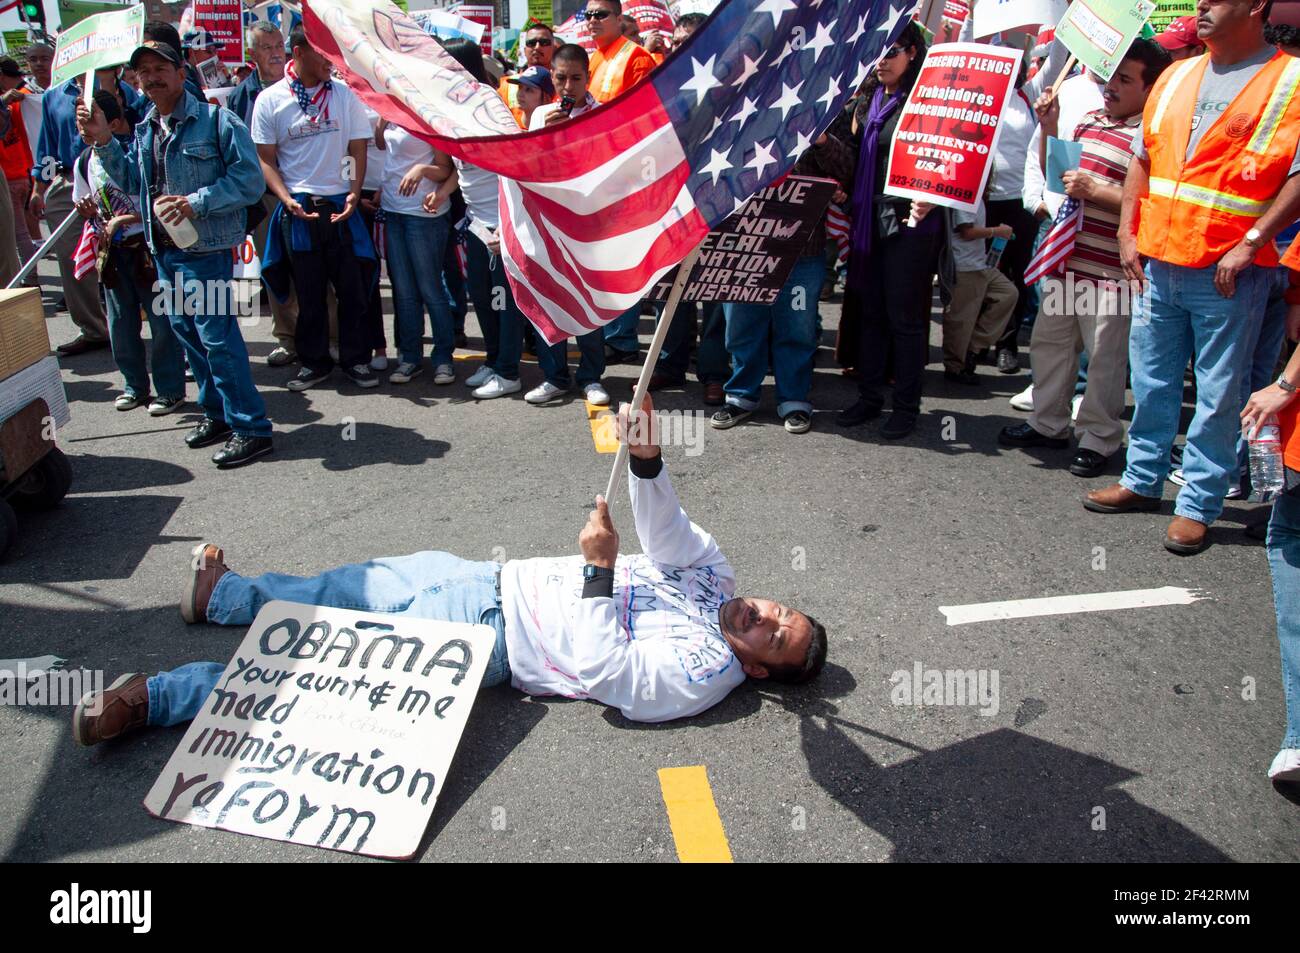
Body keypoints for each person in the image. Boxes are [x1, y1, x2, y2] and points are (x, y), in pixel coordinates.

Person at [69, 394, 829, 744]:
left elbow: (610, 677)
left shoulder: (702, 675)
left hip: (490, 642)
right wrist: (647, 456)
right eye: (777, 609)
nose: (761, 616)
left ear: (759, 670)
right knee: (345, 586)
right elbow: (666, 536)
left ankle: (157, 700)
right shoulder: (717, 577)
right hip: (489, 578)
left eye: (772, 636)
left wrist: (598, 572)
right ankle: (229, 596)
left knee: (327, 668)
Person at [1087, 0, 1300, 555]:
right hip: (1160, 260)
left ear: (1255, 7)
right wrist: (1127, 235)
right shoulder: (1178, 73)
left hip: (1230, 272)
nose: (1202, 6)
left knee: (1218, 393)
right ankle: (1142, 479)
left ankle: (1198, 505)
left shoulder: (1291, 79)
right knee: (1153, 381)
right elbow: (1143, 160)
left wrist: (1251, 243)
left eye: (1215, 0)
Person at [78, 40, 274, 468]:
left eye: (158, 67)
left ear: (181, 72)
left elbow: (249, 183)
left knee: (219, 340)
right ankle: (217, 414)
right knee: (189, 337)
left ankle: (252, 428)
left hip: (206, 252)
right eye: (142, 71)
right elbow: (131, 177)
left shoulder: (218, 121)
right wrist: (104, 139)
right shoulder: (147, 127)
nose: (150, 77)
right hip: (164, 253)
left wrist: (195, 201)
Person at [1001, 40, 1170, 478]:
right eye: (1112, 77)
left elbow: (1155, 204)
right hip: (1066, 257)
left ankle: (1098, 438)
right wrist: (1051, 127)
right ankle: (1048, 422)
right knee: (1050, 347)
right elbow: (1061, 176)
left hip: (1112, 270)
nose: (1111, 87)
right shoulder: (1091, 120)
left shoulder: (1155, 135)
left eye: (1125, 80)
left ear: (1150, 88)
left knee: (1104, 360)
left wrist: (1096, 191)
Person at [252, 28, 380, 391]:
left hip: (341, 207)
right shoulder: (270, 100)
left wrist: (354, 192)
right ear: (300, 52)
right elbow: (265, 160)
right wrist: (285, 197)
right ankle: (314, 363)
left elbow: (357, 149)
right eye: (324, 53)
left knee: (353, 290)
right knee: (308, 294)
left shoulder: (344, 95)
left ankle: (356, 360)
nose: (331, 61)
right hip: (300, 211)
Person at [836, 23, 943, 440]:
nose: (883, 59)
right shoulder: (868, 100)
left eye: (894, 50)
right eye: (879, 51)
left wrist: (934, 196)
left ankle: (906, 407)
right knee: (871, 313)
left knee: (905, 319)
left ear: (914, 53)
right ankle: (868, 397)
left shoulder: (925, 103)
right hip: (868, 219)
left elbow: (951, 158)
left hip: (909, 220)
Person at [711, 133, 856, 435]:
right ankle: (741, 396)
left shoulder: (819, 114)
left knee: (797, 329)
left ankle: (793, 400)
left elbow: (848, 167)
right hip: (745, 250)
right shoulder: (742, 121)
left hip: (802, 252)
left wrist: (823, 140)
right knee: (741, 327)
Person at [959, 6, 1071, 374]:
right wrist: (974, 13)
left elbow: (1057, 58)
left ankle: (1006, 345)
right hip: (981, 204)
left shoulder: (1029, 95)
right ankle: (971, 345)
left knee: (1015, 274)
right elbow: (964, 49)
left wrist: (1059, 10)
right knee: (977, 277)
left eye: (1011, 60)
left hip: (1017, 203)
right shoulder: (973, 94)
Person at [73, 90, 186, 417]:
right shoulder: (84, 161)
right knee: (120, 325)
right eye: (80, 122)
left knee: (162, 323)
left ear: (114, 122)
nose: (85, 128)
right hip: (113, 252)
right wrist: (88, 210)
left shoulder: (136, 151)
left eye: (91, 120)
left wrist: (128, 218)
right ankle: (134, 386)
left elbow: (155, 200)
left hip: (145, 250)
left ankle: (169, 389)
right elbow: (87, 204)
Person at [431, 39, 525, 400]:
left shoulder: (491, 107)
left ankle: (508, 371)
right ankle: (493, 358)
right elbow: (465, 168)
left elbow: (510, 168)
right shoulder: (452, 109)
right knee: (482, 300)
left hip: (500, 224)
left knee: (504, 301)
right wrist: (444, 191)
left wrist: (507, 225)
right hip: (474, 222)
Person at [31, 66, 141, 355]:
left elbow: (134, 125)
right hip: (73, 176)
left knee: (124, 258)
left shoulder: (123, 90)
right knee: (73, 256)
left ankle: (145, 326)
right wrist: (38, 188)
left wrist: (106, 89)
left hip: (119, 173)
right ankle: (92, 328)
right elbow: (47, 144)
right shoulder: (53, 96)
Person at [521, 46, 608, 407]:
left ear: (588, 77)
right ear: (551, 77)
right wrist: (547, 138)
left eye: (575, 78)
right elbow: (528, 166)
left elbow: (606, 168)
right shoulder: (541, 114)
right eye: (560, 78)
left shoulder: (603, 113)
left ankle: (591, 376)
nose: (568, 86)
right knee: (551, 297)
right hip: (547, 220)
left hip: (586, 223)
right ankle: (554, 375)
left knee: (587, 300)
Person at [229, 21, 299, 368]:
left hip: (304, 190)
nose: (275, 53)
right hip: (264, 197)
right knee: (275, 267)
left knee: (315, 268)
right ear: (252, 54)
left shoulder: (302, 85)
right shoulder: (241, 95)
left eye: (278, 45)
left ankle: (328, 337)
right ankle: (287, 338)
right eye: (266, 47)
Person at [378, 116, 459, 386]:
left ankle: (443, 358)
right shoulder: (389, 112)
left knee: (431, 289)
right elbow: (380, 144)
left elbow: (446, 169)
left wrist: (422, 169)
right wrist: (381, 119)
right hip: (393, 210)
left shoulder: (427, 116)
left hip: (424, 215)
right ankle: (410, 358)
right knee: (404, 292)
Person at [940, 192, 1016, 387]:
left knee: (1007, 294)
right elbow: (966, 231)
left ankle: (972, 349)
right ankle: (955, 366)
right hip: (963, 265)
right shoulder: (965, 193)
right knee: (960, 319)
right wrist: (997, 231)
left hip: (980, 263)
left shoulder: (977, 194)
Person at [0, 58, 37, 270]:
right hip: (22, 174)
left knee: (19, 235)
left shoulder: (20, 100)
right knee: (21, 232)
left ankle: (30, 281)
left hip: (15, 177)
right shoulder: (15, 100)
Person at [585, 0, 656, 104]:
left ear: (619, 20)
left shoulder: (637, 57)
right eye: (588, 16)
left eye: (600, 15)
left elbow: (644, 108)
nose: (592, 20)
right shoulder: (589, 59)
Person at [501, 21, 555, 125]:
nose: (537, 47)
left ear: (554, 47)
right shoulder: (507, 86)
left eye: (544, 42)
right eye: (531, 43)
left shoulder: (564, 83)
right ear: (525, 49)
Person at [507, 65, 554, 129]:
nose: (520, 93)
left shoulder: (553, 127)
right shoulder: (509, 122)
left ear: (547, 98)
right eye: (520, 87)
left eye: (528, 89)